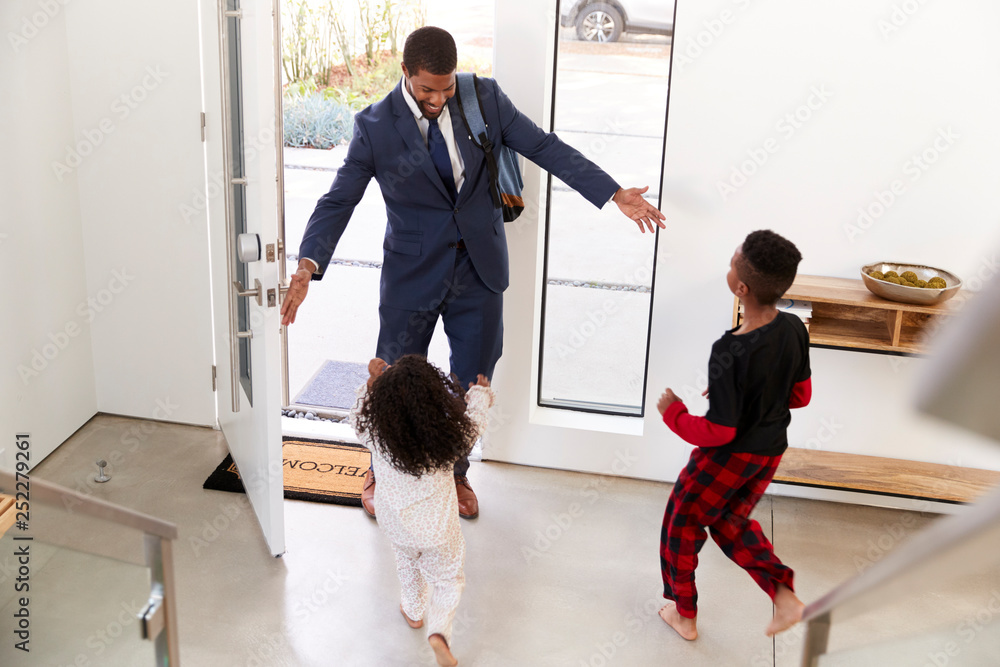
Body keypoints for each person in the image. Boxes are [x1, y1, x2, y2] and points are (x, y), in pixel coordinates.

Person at [280, 26, 666, 519]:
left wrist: (613, 194)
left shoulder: (483, 98)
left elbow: (545, 148)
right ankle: (383, 467)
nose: (438, 98)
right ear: (405, 73)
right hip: (411, 274)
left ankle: (455, 472)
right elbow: (339, 200)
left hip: (478, 270)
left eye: (445, 87)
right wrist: (307, 265)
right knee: (395, 381)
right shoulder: (374, 125)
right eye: (427, 89)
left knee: (473, 379)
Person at [654, 230, 811, 641]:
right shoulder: (795, 328)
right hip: (769, 453)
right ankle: (783, 593)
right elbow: (801, 394)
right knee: (729, 521)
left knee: (681, 525)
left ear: (740, 287)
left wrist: (675, 413)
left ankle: (683, 614)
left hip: (728, 458)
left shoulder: (729, 350)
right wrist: (742, 394)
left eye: (731, 264)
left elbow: (718, 432)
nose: (727, 268)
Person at [349, 355, 494, 667]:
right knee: (448, 579)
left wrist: (371, 384)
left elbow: (356, 417)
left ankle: (414, 611)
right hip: (438, 530)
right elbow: (476, 421)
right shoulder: (448, 441)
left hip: (394, 523)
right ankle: (438, 632)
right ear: (435, 396)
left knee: (407, 561)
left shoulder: (376, 437)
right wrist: (480, 394)